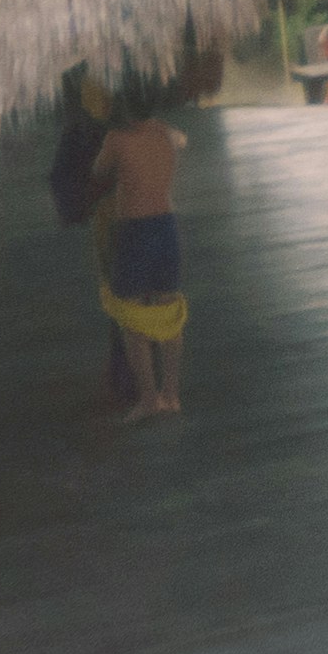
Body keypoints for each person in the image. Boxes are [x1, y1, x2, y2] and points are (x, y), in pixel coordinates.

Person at [90, 72, 196, 414]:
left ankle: (149, 398)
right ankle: (172, 393)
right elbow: (181, 140)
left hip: (134, 231)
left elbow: (98, 173)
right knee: (168, 311)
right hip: (166, 227)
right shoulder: (165, 132)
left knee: (133, 318)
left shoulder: (117, 140)